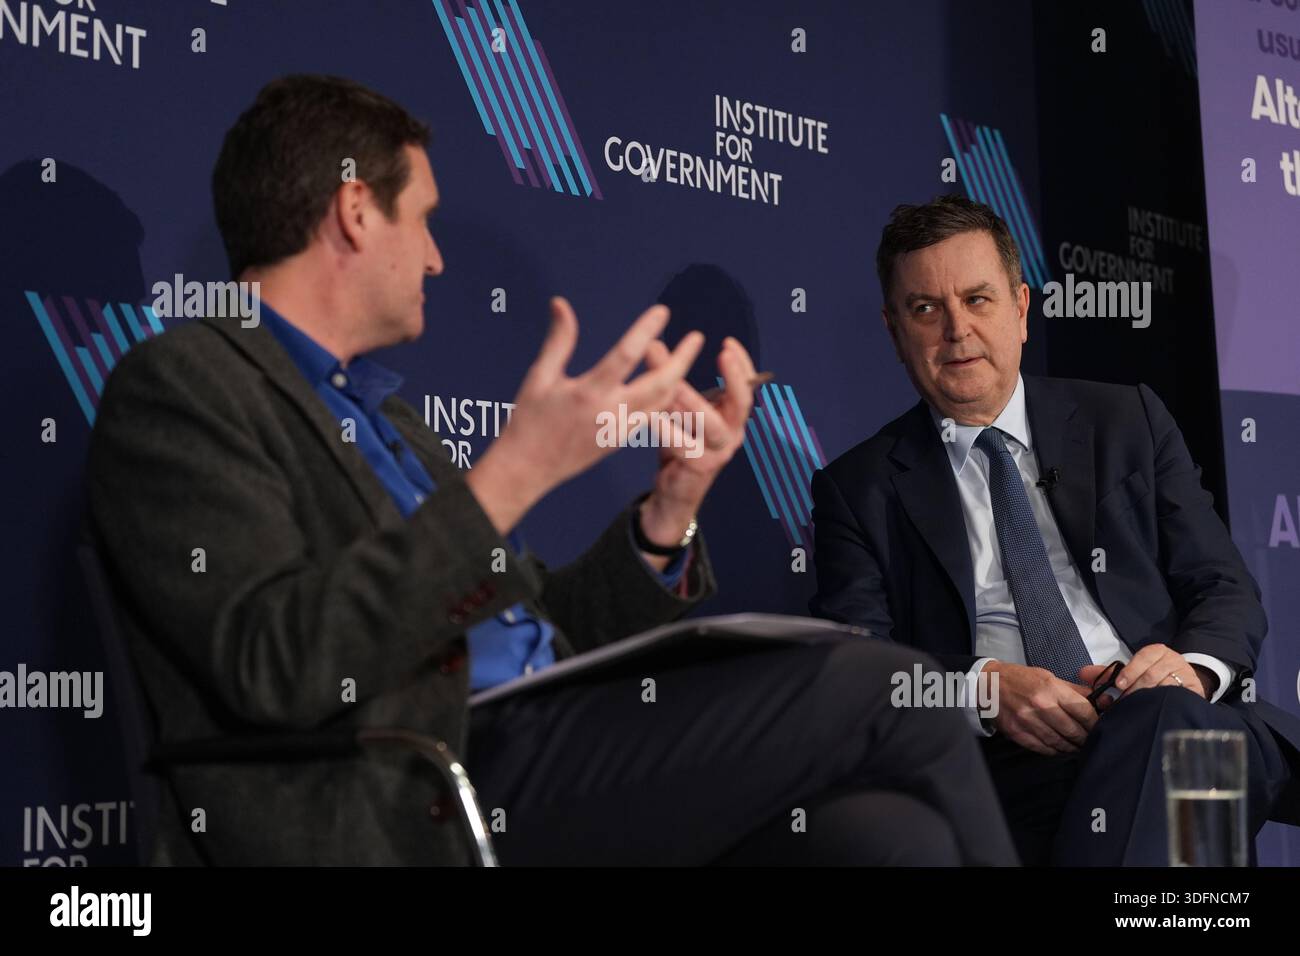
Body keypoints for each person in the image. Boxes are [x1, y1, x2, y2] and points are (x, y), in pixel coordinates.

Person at [85, 75, 1017, 866]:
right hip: (415, 788)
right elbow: (277, 666)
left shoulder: (390, 417)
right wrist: (516, 472)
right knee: (885, 685)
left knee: (883, 836)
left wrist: (669, 512)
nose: (438, 255)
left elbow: (546, 641)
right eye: (425, 219)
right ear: (355, 211)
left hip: (541, 742)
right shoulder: (184, 387)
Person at [810, 194, 1300, 865]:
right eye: (926, 308)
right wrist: (986, 689)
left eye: (978, 300)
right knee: (1195, 796)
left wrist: (1188, 668)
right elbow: (855, 674)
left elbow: (1224, 589)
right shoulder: (859, 488)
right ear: (895, 330)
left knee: (1177, 730)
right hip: (1004, 764)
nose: (957, 330)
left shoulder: (1126, 419)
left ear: (1020, 309)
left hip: (1163, 713)